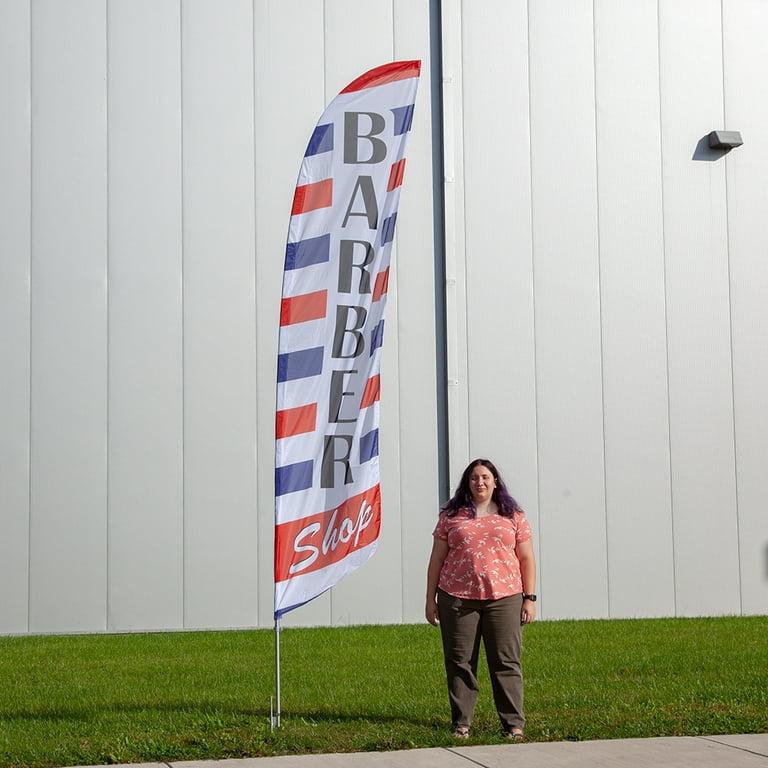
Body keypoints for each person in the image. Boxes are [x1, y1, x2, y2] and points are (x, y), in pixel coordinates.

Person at [425, 458, 536, 741]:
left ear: (495, 481)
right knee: (460, 661)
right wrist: (430, 599)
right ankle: (462, 723)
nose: (480, 482)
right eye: (474, 478)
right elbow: (437, 558)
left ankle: (513, 724)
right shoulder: (452, 516)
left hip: (505, 597)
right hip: (457, 599)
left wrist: (529, 598)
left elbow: (526, 558)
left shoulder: (513, 515)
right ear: (467, 483)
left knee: (506, 661)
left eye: (485, 477)